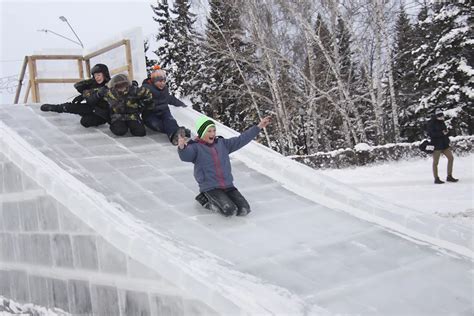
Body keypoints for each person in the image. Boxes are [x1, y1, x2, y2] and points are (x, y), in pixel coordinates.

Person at [177, 115, 271, 216]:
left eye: (214, 130)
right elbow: (186, 156)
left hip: (228, 185)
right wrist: (182, 147)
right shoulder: (195, 147)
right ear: (202, 132)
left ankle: (223, 198)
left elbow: (241, 139)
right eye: (209, 131)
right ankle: (204, 199)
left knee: (244, 209)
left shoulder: (222, 144)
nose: (212, 133)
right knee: (229, 210)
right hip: (211, 187)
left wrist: (259, 126)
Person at [40, 64, 111, 128]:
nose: (97, 78)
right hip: (91, 107)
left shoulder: (110, 85)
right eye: (95, 76)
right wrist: (84, 94)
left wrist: (86, 96)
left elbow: (96, 98)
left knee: (85, 122)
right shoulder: (94, 84)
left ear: (105, 74)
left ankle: (86, 114)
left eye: (99, 75)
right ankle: (54, 107)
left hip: (102, 114)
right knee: (70, 106)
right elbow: (78, 85)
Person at [142, 66, 189, 145]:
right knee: (156, 124)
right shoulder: (146, 90)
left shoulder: (164, 90)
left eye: (164, 81)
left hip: (164, 111)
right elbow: (139, 101)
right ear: (153, 81)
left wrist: (181, 104)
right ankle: (178, 132)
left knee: (170, 120)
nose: (162, 83)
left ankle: (175, 134)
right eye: (160, 81)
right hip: (150, 113)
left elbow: (170, 99)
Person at [427, 108, 459, 184]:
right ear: (435, 115)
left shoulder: (442, 122)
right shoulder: (431, 123)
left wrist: (447, 132)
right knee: (435, 162)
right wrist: (442, 133)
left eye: (442, 115)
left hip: (445, 144)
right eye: (439, 116)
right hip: (436, 145)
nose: (441, 117)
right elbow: (431, 134)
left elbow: (445, 131)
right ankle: (436, 178)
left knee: (451, 158)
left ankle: (449, 176)